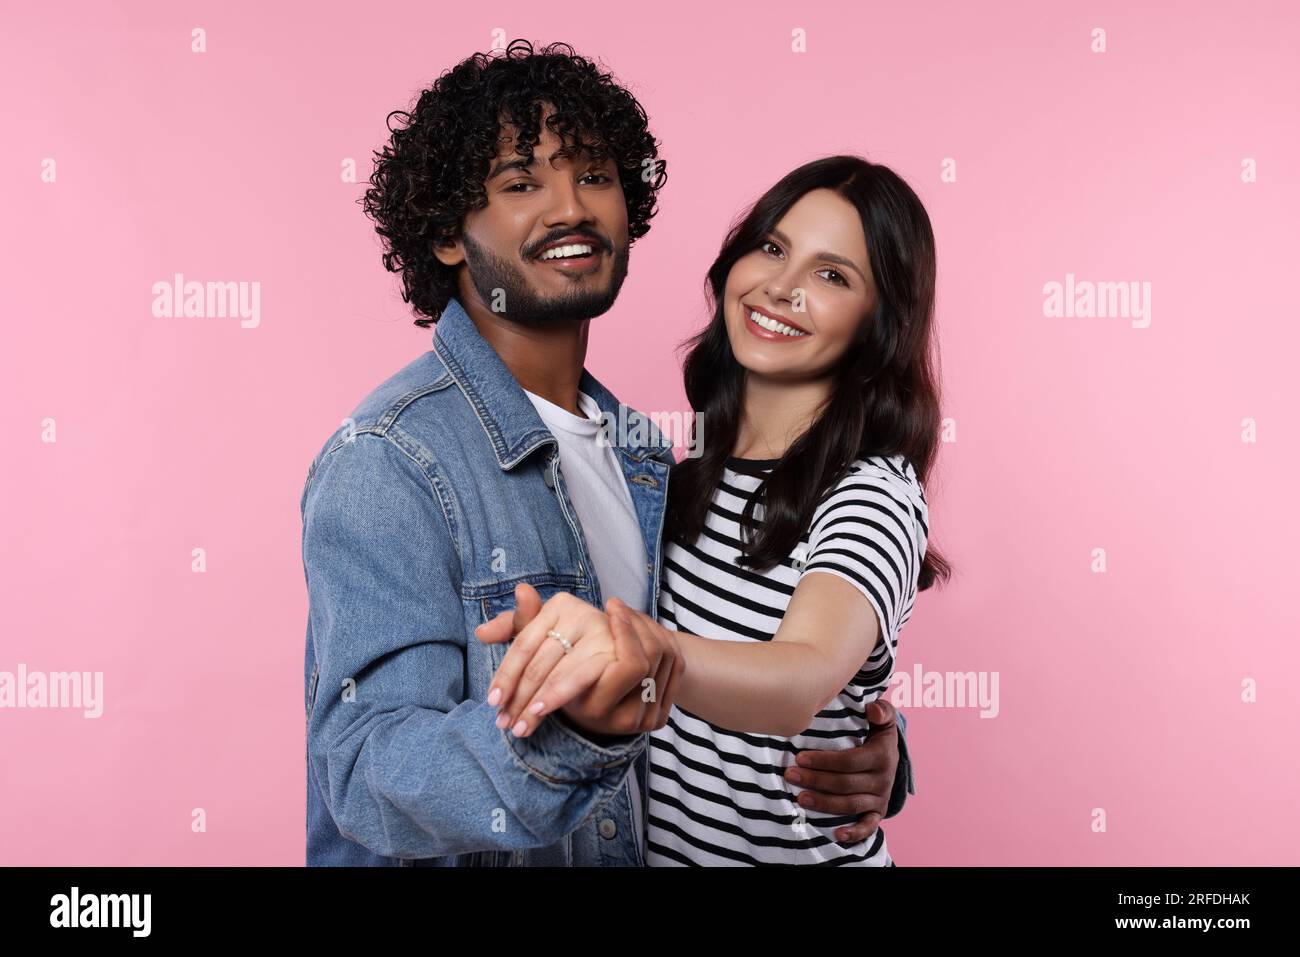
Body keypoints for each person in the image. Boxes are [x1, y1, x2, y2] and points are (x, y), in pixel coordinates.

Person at [302, 40, 913, 866]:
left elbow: (733, 662)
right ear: (448, 235)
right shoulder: (390, 458)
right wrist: (566, 732)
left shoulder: (648, 458)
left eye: (593, 175)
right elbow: (367, 769)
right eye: (522, 183)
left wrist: (868, 744)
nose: (571, 208)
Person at [478, 154, 951, 865]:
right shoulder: (679, 471)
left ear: (879, 322)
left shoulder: (871, 492)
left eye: (832, 276)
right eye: (772, 247)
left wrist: (641, 651)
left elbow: (801, 677)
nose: (782, 287)